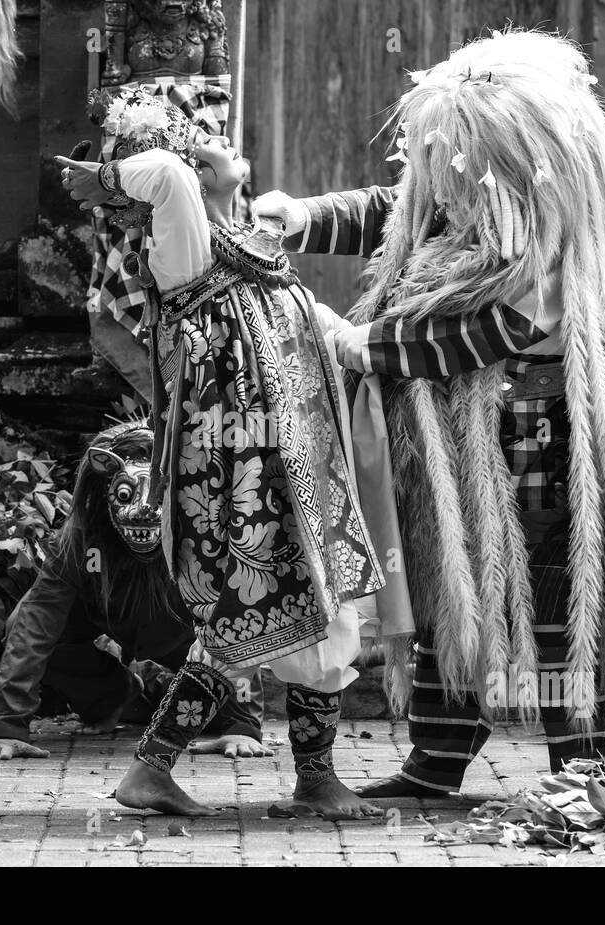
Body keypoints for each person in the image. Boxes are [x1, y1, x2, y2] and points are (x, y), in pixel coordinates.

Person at [256, 29, 605, 798]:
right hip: (457, 451)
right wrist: (302, 217)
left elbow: (487, 330)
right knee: (450, 594)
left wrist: (365, 345)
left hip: (543, 444)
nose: (440, 179)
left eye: (455, 161)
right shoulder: (453, 200)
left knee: (558, 603)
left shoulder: (539, 247)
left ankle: (591, 768)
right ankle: (436, 760)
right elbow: (394, 212)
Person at [57, 88, 387, 819]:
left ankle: (251, 776)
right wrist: (114, 176)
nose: (224, 144)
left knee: (314, 617)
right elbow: (164, 179)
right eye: (206, 143)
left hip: (293, 470)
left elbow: (317, 328)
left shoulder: (254, 252)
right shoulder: (185, 245)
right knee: (253, 614)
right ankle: (250, 777)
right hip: (234, 473)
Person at [0, 419, 269, 761]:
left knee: (207, 707)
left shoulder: (201, 536)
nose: (143, 510)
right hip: (114, 619)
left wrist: (241, 727)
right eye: (125, 495)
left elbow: (234, 622)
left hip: (188, 641)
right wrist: (5, 727)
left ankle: (177, 696)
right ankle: (115, 695)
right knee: (22, 617)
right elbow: (35, 623)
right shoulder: (81, 541)